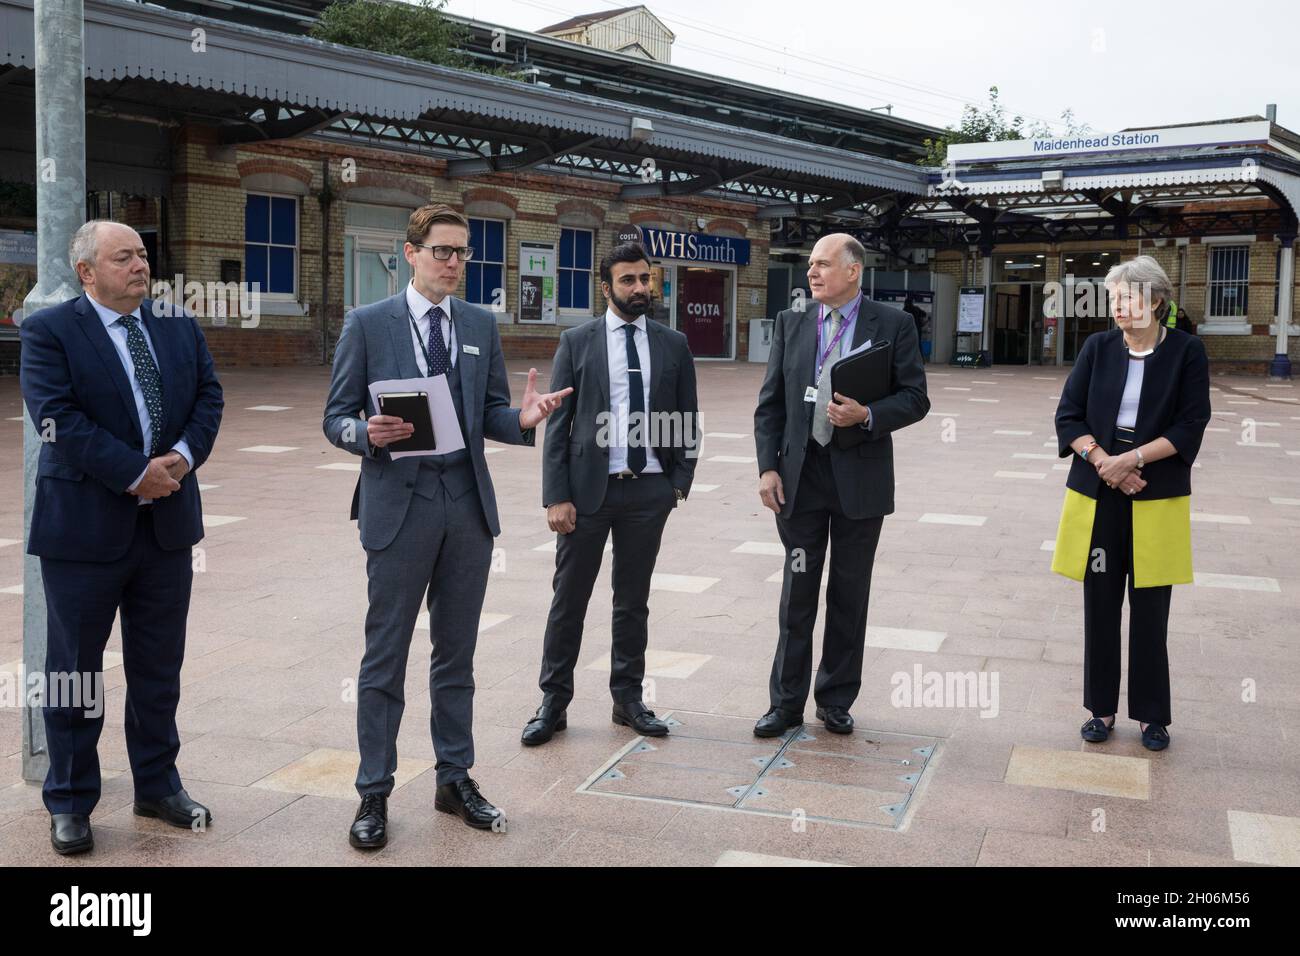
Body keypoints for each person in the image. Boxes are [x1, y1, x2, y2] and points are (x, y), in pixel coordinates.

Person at [322, 203, 570, 849]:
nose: (454, 263)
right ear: (411, 253)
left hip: (465, 506)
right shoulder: (368, 324)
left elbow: (487, 410)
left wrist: (521, 418)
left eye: (462, 252)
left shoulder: (479, 325)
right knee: (385, 657)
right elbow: (335, 417)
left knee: (456, 655)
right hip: (397, 507)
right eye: (442, 250)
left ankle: (453, 777)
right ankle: (373, 791)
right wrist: (364, 434)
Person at [19, 220, 224, 855]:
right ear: (87, 272)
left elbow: (209, 399)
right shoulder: (50, 331)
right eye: (124, 257)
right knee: (74, 672)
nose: (141, 266)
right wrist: (136, 474)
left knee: (159, 667)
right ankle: (72, 800)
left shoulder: (176, 324)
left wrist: (181, 462)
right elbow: (58, 419)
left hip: (166, 530)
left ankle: (158, 785)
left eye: (142, 255)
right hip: (82, 532)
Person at [521, 243, 700, 746]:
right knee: (569, 601)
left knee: (633, 601)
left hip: (648, 492)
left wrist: (677, 485)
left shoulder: (674, 344)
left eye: (646, 279)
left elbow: (687, 417)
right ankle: (553, 703)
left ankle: (628, 700)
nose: (641, 288)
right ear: (607, 287)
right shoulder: (577, 341)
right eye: (628, 280)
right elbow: (558, 426)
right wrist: (555, 496)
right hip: (586, 495)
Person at [752, 233, 929, 738]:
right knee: (797, 592)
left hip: (859, 481)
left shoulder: (893, 325)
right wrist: (768, 468)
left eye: (823, 265)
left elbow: (916, 398)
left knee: (850, 593)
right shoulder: (792, 324)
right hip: (800, 480)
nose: (812, 273)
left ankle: (834, 699)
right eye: (810, 264)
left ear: (853, 271)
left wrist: (867, 414)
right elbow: (771, 404)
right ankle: (785, 704)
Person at [1052, 254, 1210, 752]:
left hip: (1154, 492)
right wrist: (1106, 463)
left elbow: (1190, 425)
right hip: (1099, 493)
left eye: (1127, 298)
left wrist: (1133, 460)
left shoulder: (1187, 352)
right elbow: (1068, 417)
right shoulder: (1097, 348)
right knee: (1100, 604)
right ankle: (1099, 709)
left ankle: (1151, 715)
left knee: (1150, 608)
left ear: (1156, 302)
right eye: (1113, 298)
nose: (1117, 307)